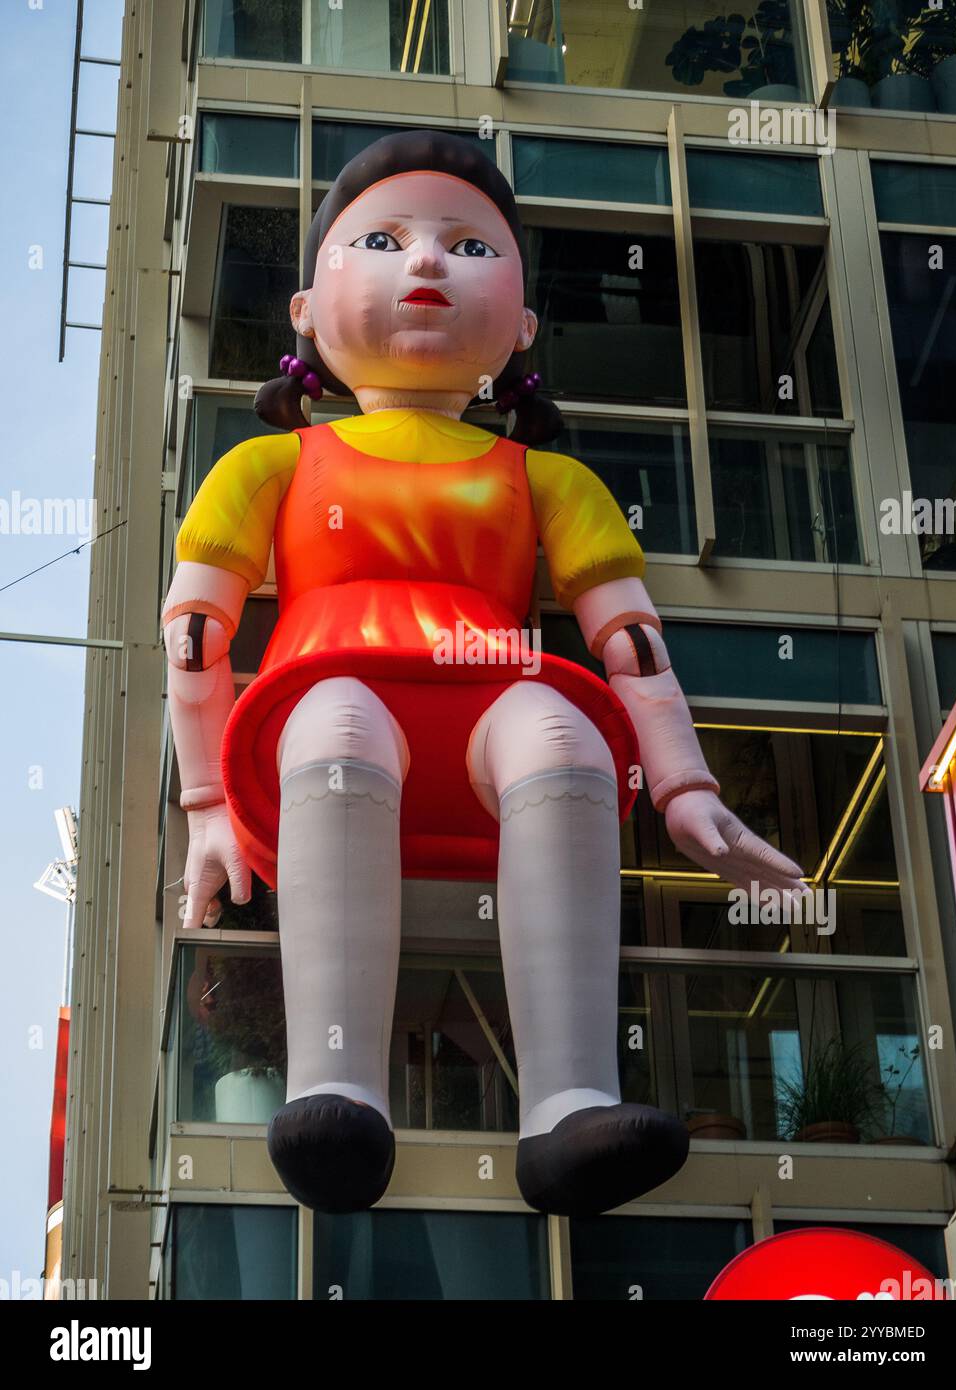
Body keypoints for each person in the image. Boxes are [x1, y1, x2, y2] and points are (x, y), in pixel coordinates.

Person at [162, 130, 805, 1217]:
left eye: (467, 244)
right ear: (308, 313)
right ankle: (336, 1090)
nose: (426, 263)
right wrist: (208, 800)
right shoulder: (269, 463)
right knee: (339, 723)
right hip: (329, 701)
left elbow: (631, 641)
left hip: (491, 706)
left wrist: (687, 788)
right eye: (383, 238)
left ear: (521, 332)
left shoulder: (546, 478)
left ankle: (569, 1105)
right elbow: (195, 628)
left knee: (560, 738)